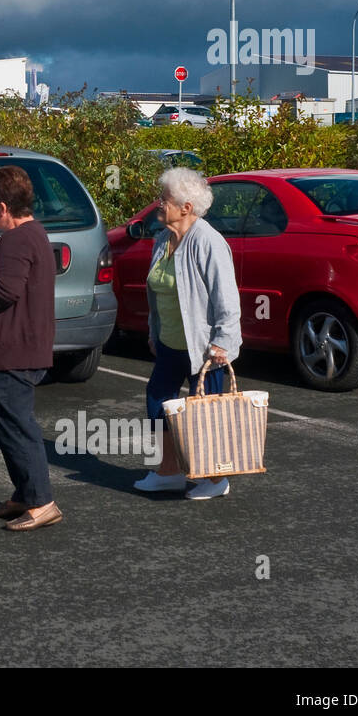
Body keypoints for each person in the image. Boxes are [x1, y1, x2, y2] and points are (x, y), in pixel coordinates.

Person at [133, 167, 242, 501]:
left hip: (205, 348)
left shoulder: (208, 241)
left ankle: (215, 477)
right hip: (170, 342)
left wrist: (222, 342)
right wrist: (154, 331)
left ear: (186, 207)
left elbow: (227, 296)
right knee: (158, 404)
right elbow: (156, 292)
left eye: (164, 199)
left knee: (206, 413)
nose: (157, 204)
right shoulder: (162, 240)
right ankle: (168, 472)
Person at [0, 166, 63, 532]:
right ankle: (26, 494)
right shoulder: (36, 233)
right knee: (10, 426)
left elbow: (6, 291)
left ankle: (41, 501)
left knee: (17, 427)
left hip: (12, 348)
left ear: (4, 206)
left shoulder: (16, 239)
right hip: (23, 345)